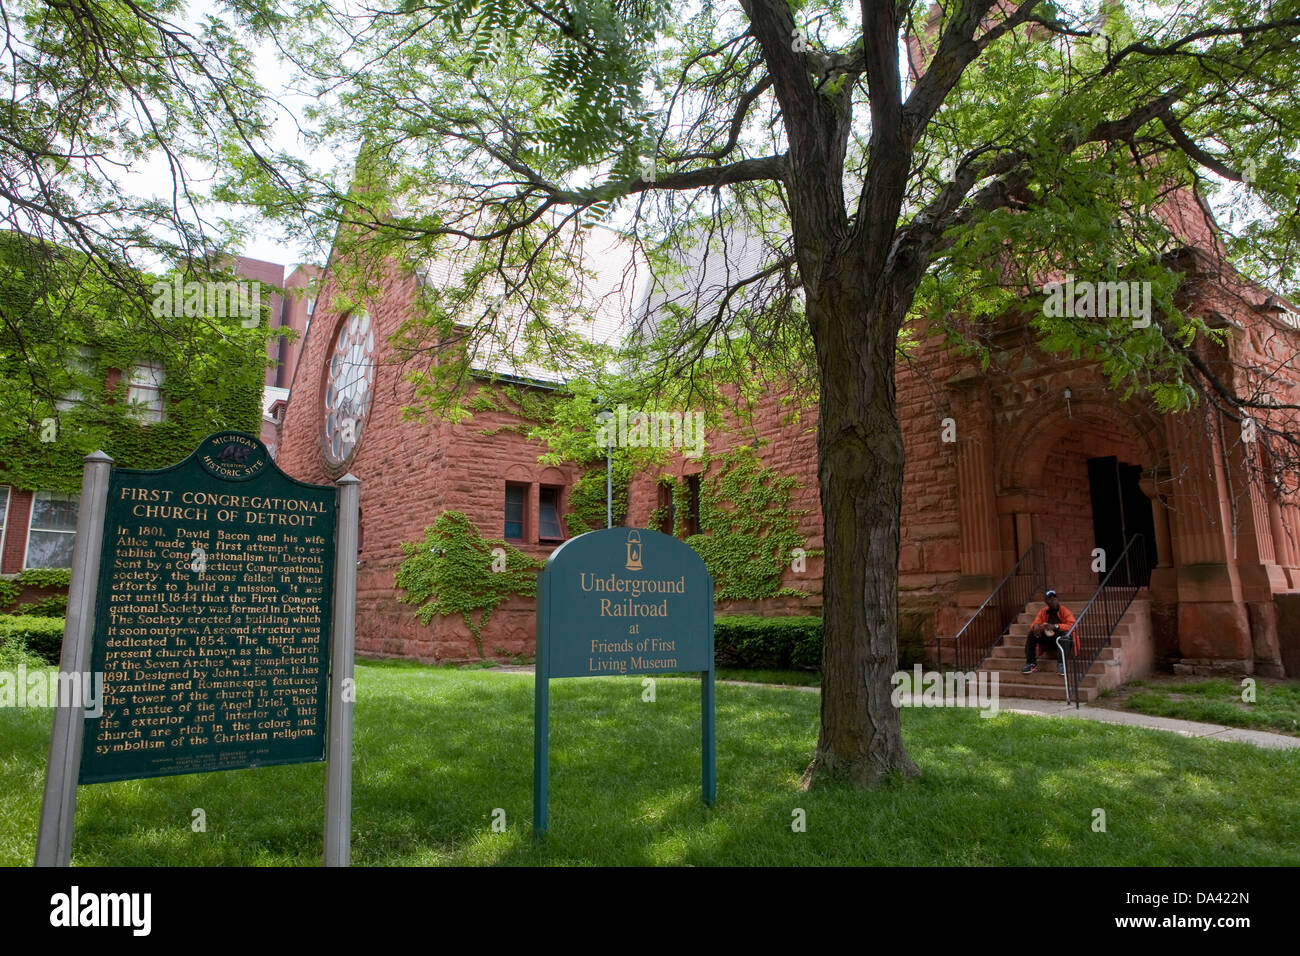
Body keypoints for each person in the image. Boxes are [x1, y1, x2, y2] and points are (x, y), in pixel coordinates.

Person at [1022, 589, 1077, 675]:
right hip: (1048, 640)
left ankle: (1061, 665)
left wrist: (1056, 626)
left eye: (1055, 598)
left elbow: (1073, 625)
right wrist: (1035, 626)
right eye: (1050, 599)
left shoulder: (1064, 610)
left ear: (1057, 600)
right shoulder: (1043, 611)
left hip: (1060, 640)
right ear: (1046, 601)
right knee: (1031, 634)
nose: (1053, 601)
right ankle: (1031, 664)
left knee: (1066, 635)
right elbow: (1036, 622)